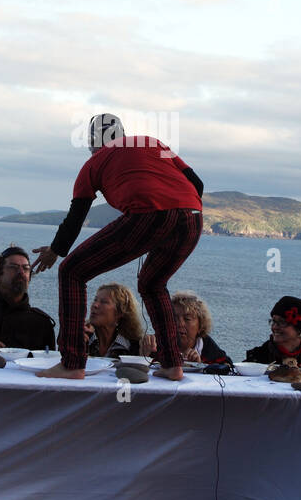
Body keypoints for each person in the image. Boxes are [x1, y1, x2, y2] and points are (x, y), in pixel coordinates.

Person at [34, 114, 203, 381]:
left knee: (71, 272)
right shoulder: (152, 143)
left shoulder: (93, 165)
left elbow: (75, 218)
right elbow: (197, 184)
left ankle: (72, 363)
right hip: (193, 216)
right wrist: (173, 214)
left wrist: (55, 251)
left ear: (92, 144)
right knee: (152, 283)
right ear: (123, 135)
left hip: (149, 215)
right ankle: (172, 364)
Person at [245, 296, 301, 366]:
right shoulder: (257, 358)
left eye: (282, 322)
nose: (274, 327)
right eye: (273, 321)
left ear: (299, 331)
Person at [81, 282, 149, 359]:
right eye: (95, 300)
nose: (95, 305)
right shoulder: (81, 336)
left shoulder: (134, 345)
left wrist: (143, 357)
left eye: (104, 302)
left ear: (119, 312)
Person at [172, 290, 230, 365]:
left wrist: (199, 365)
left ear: (200, 326)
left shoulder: (207, 346)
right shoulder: (159, 343)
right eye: (174, 318)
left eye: (187, 319)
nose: (180, 324)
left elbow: (227, 365)